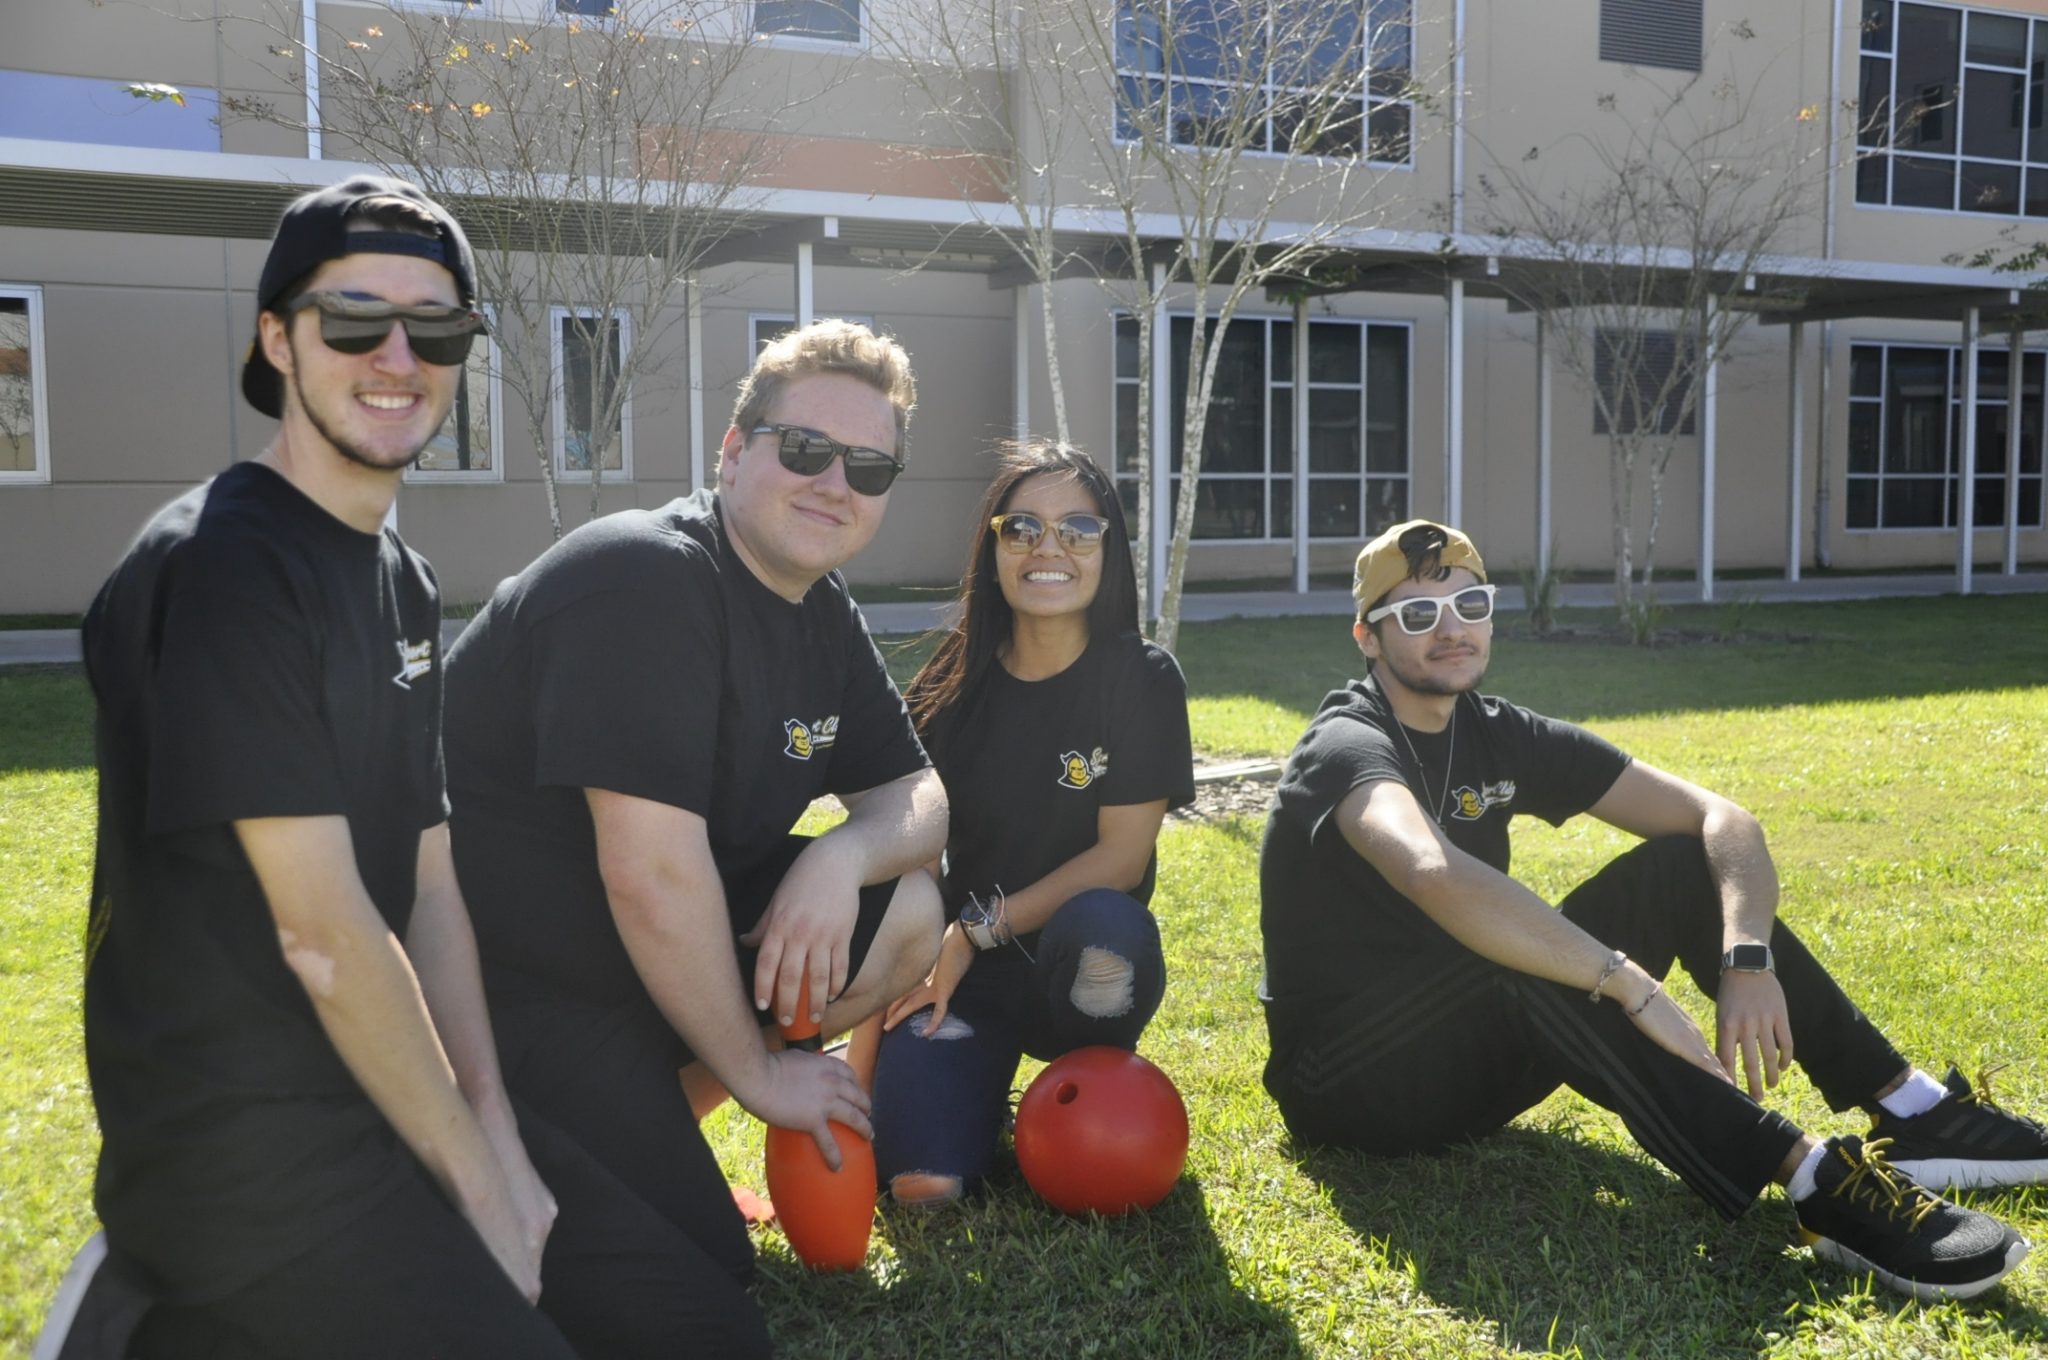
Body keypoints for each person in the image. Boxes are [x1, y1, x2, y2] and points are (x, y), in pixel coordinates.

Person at [1258, 518, 2044, 1302]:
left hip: (1463, 1063)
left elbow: (1721, 821)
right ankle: (1817, 1182)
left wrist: (1746, 957)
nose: (1452, 629)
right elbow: (1432, 872)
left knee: (1677, 868)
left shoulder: (1497, 734)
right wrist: (1625, 980)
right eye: (1418, 615)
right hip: (1345, 1081)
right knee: (1526, 957)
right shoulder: (1345, 743)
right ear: (1368, 637)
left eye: (1470, 603)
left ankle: (1912, 1108)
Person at [76, 176, 574, 1357]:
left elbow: (430, 876)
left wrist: (495, 1131)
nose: (398, 354)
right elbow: (323, 930)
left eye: (437, 325)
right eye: (354, 318)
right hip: (237, 1156)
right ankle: (139, 1315)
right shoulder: (225, 566)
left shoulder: (399, 573)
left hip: (370, 1106)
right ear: (276, 338)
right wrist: (479, 1183)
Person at [439, 319, 946, 1353]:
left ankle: (656, 1127)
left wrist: (837, 853)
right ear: (731, 448)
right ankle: (456, 1173)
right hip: (508, 994)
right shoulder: (643, 577)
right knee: (701, 1298)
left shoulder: (815, 605)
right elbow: (650, 877)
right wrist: (763, 1079)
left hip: (637, 969)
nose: (833, 482)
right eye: (802, 448)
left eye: (869, 463)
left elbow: (921, 793)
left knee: (911, 908)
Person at [870, 443, 1195, 1204]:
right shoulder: (946, 687)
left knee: (1109, 928)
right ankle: (972, 1098)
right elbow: (914, 853)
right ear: (993, 548)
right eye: (1022, 529)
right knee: (925, 1189)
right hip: (965, 981)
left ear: (1107, 550)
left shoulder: (1141, 679)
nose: (1049, 549)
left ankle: (1087, 1077)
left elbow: (1120, 858)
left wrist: (974, 929)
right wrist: (904, 986)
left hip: (1078, 965)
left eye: (1077, 530)